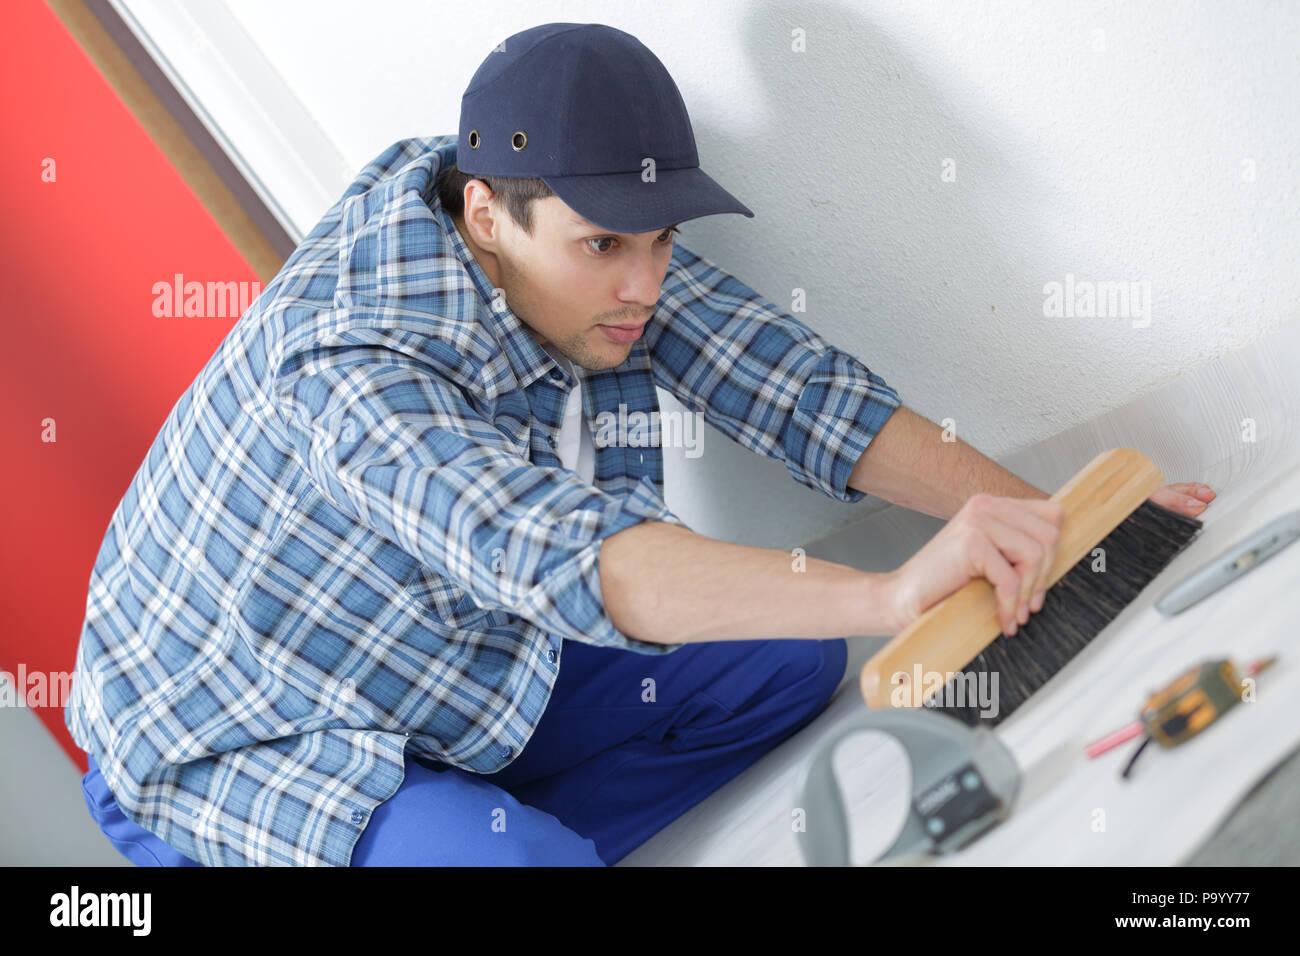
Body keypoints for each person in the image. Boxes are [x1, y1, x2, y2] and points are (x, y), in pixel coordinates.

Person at [66, 22, 1214, 867]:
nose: (644, 284)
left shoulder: (538, 206)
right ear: (486, 216)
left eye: (660, 241)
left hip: (427, 653)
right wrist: (897, 591)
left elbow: (792, 389)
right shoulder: (351, 368)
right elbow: (559, 552)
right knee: (529, 862)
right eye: (609, 246)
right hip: (236, 728)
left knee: (785, 659)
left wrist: (1064, 531)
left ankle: (472, 827)